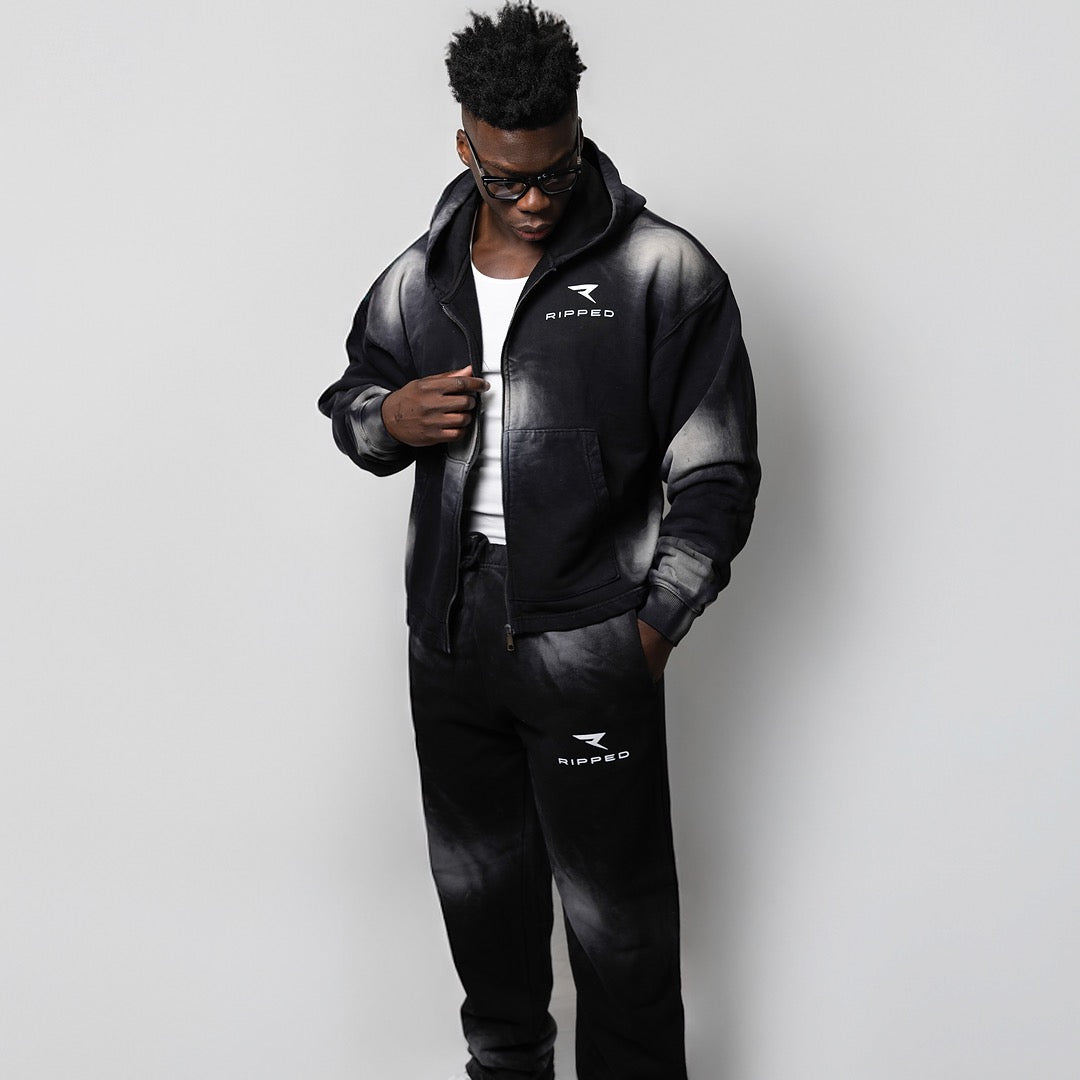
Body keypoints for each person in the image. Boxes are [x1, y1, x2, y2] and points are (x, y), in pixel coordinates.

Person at [318, 4, 760, 1077]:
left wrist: (650, 626)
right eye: (507, 178)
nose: (533, 201)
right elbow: (353, 398)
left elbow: (717, 470)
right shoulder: (421, 276)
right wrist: (390, 417)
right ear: (465, 145)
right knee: (485, 912)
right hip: (450, 631)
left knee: (621, 933)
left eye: (555, 173)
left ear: (577, 133)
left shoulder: (663, 270)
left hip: (589, 633)